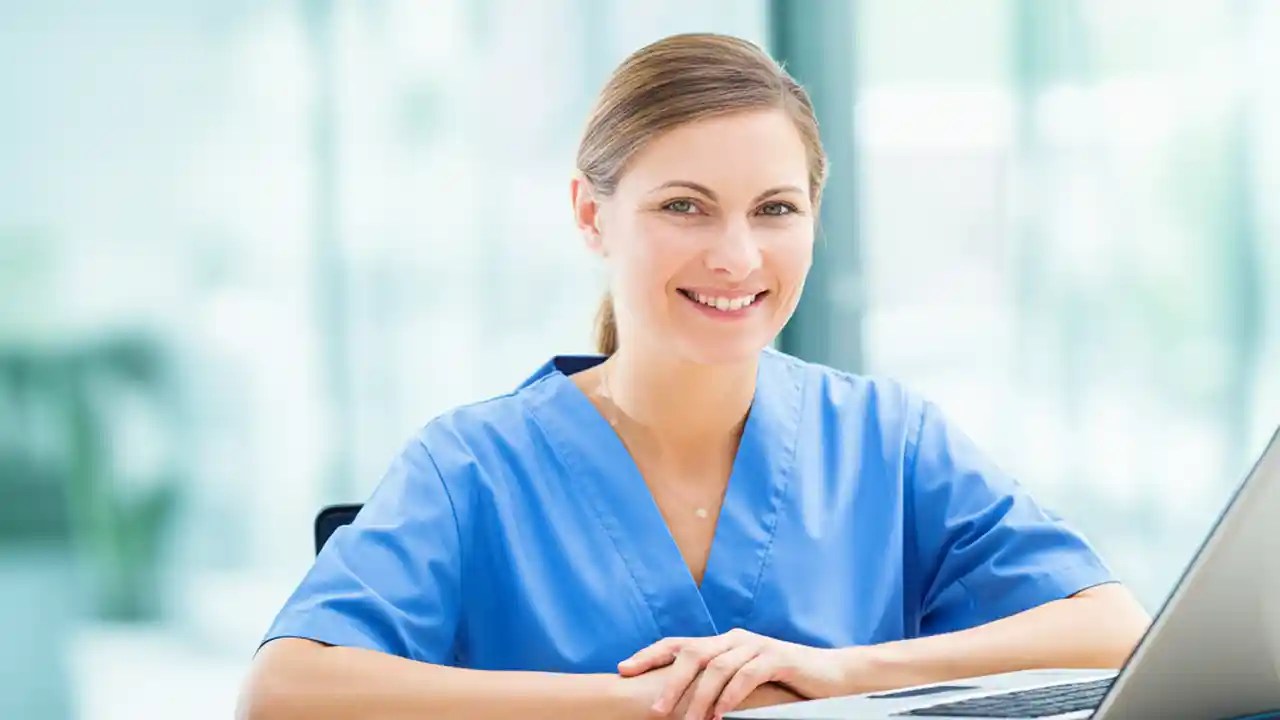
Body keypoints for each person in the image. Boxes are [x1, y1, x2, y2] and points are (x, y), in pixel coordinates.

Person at [237, 32, 1150, 720]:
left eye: (775, 209)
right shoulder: (472, 465)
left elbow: (1111, 628)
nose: (737, 255)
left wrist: (835, 676)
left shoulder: (886, 439)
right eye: (684, 207)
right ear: (590, 217)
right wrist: (660, 702)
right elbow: (285, 689)